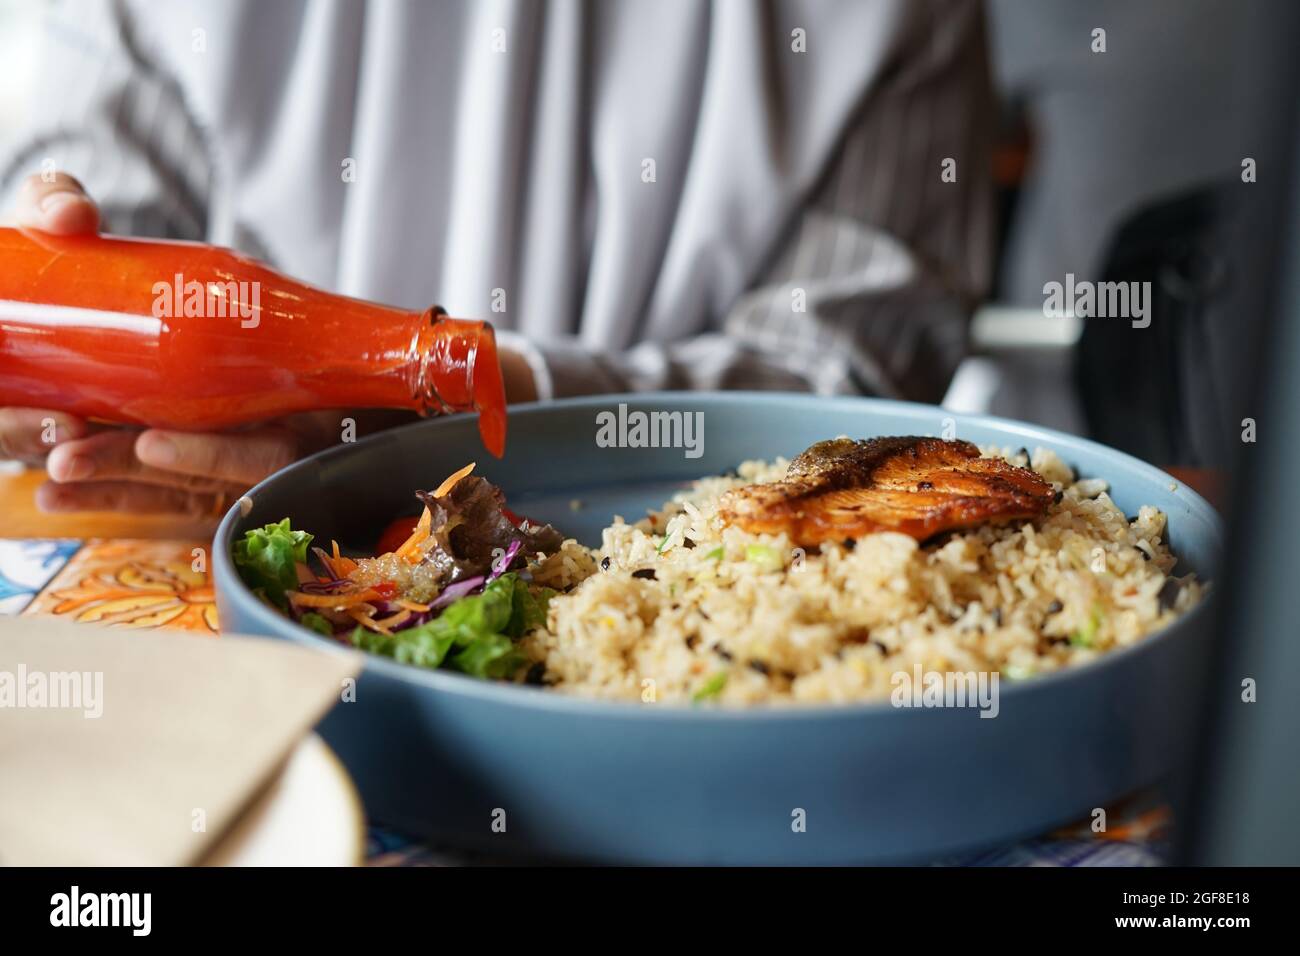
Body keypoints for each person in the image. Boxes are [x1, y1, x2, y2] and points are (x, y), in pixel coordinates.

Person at [0, 0, 991, 517]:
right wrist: (62, 350)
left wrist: (493, 397)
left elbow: (853, 395)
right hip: (219, 568)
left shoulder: (893, 13)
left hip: (687, 615)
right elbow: (66, 222)